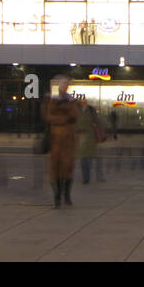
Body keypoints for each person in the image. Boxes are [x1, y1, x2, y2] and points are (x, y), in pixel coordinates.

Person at [44, 76, 80, 207]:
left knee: (68, 167)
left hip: (68, 139)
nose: (65, 87)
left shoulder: (71, 100)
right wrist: (63, 118)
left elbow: (75, 115)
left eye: (67, 85)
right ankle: (57, 195)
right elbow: (49, 116)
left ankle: (66, 195)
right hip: (57, 139)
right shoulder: (54, 100)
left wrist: (62, 116)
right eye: (63, 85)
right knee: (56, 168)